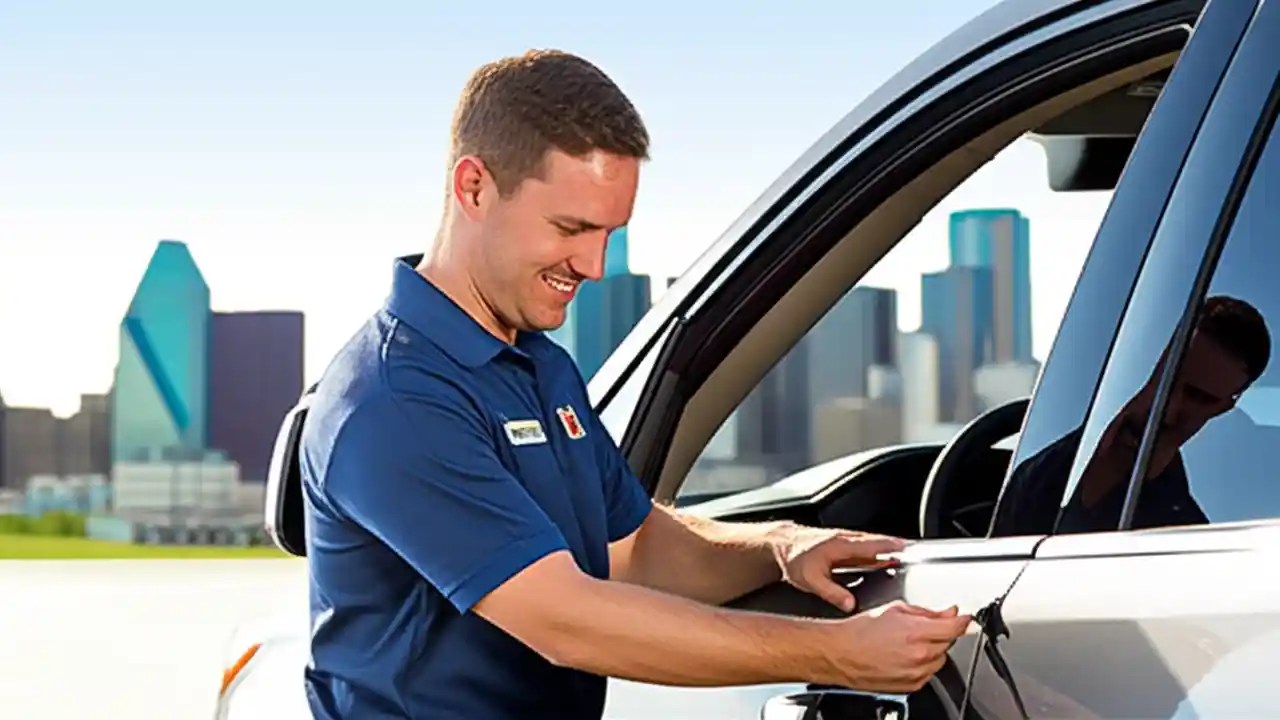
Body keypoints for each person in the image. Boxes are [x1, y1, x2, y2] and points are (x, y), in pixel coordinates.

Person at [298, 49, 971, 720]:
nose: (593, 266)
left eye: (610, 234)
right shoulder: (394, 397)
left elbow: (638, 548)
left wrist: (780, 550)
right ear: (473, 187)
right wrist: (833, 654)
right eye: (571, 228)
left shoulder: (540, 366)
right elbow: (565, 620)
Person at [995, 294, 1271, 536]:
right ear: (1152, 359)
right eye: (1168, 378)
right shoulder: (1042, 472)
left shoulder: (1185, 535)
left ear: (1221, 409)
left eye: (1198, 399)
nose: (1169, 409)